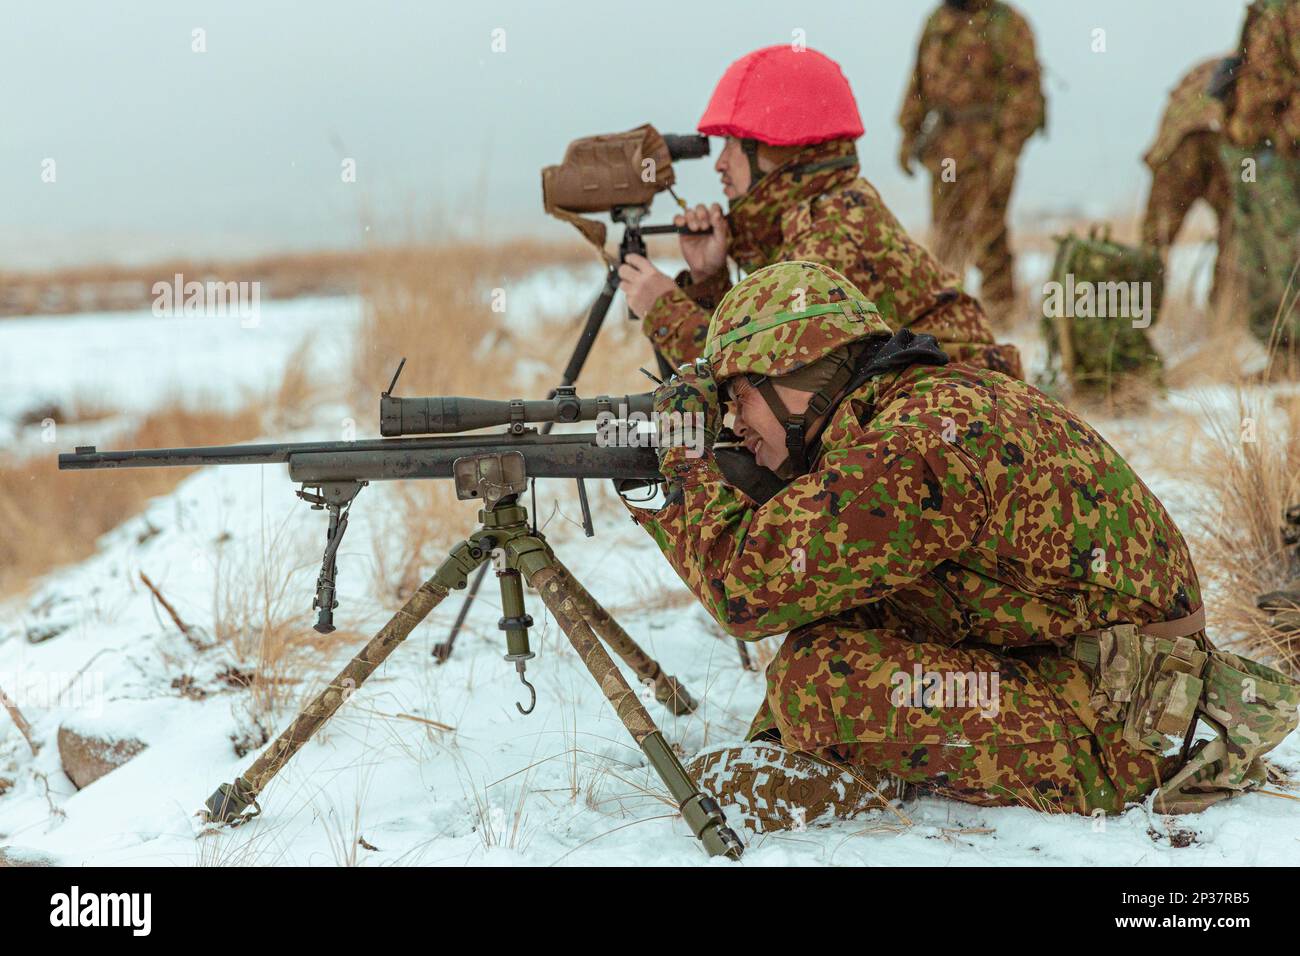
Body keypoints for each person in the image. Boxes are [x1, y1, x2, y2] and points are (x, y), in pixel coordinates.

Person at [625, 259, 1298, 832]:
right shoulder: (921, 403)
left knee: (818, 683)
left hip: (1126, 733)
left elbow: (747, 589)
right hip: (1107, 675)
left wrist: (680, 461)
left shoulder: (916, 442)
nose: (735, 424)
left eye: (739, 397)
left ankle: (855, 786)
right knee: (836, 625)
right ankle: (838, 764)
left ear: (802, 376)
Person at [619, 44, 1022, 381]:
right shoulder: (823, 212)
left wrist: (666, 309)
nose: (720, 164)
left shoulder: (834, 234)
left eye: (733, 144)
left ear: (777, 146)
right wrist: (709, 281)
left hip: (962, 427)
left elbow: (766, 382)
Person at [897, 0, 1045, 321]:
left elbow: (1025, 91)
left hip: (987, 149)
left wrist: (1009, 150)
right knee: (946, 233)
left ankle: (1002, 317)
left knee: (988, 234)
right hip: (944, 148)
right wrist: (908, 133)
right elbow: (918, 81)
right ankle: (947, 318)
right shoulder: (938, 20)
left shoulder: (1007, 23)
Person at [1141, 58, 1234, 308]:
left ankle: (1130, 318)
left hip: (1180, 140)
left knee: (1154, 241)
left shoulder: (1209, 67)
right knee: (1236, 238)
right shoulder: (1265, 60)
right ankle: (1229, 320)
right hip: (1225, 139)